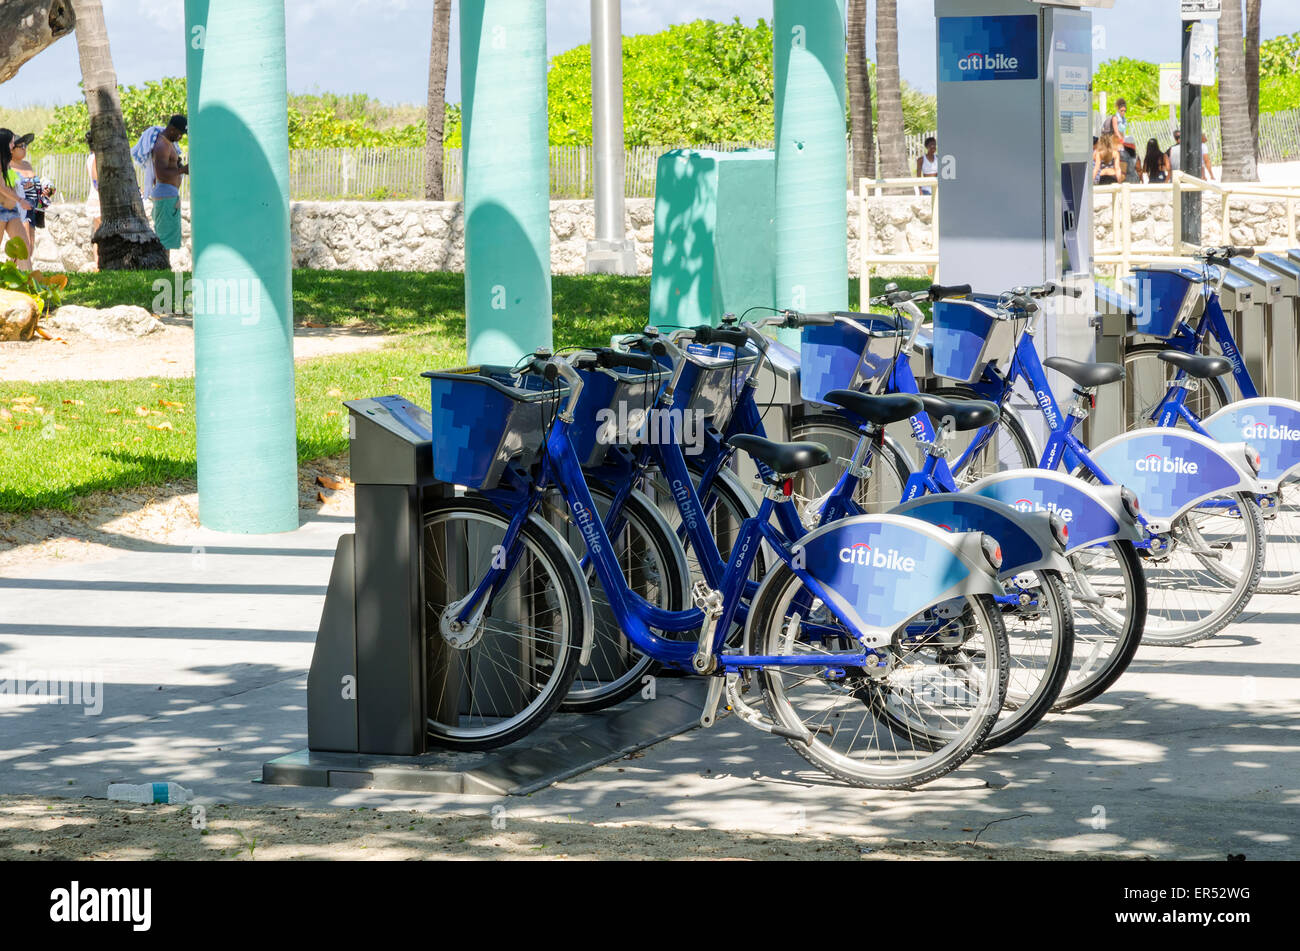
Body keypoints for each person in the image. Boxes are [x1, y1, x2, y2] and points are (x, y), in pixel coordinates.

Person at [131, 114, 188, 257]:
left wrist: (177, 164)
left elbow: (169, 166)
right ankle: (163, 269)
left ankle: (165, 268)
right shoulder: (162, 145)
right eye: (180, 134)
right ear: (172, 129)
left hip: (169, 195)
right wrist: (182, 170)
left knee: (167, 238)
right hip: (165, 196)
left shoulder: (168, 143)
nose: (181, 137)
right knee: (164, 240)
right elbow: (161, 173)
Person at [0, 129, 33, 269]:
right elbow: (1, 187)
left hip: (12, 211)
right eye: (12, 142)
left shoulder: (6, 161)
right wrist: (20, 200)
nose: (14, 145)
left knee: (24, 246)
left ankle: (30, 284)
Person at [84, 130, 101, 238]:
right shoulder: (95, 158)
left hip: (93, 197)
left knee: (97, 233)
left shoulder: (89, 158)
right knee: (101, 233)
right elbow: (96, 180)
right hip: (98, 198)